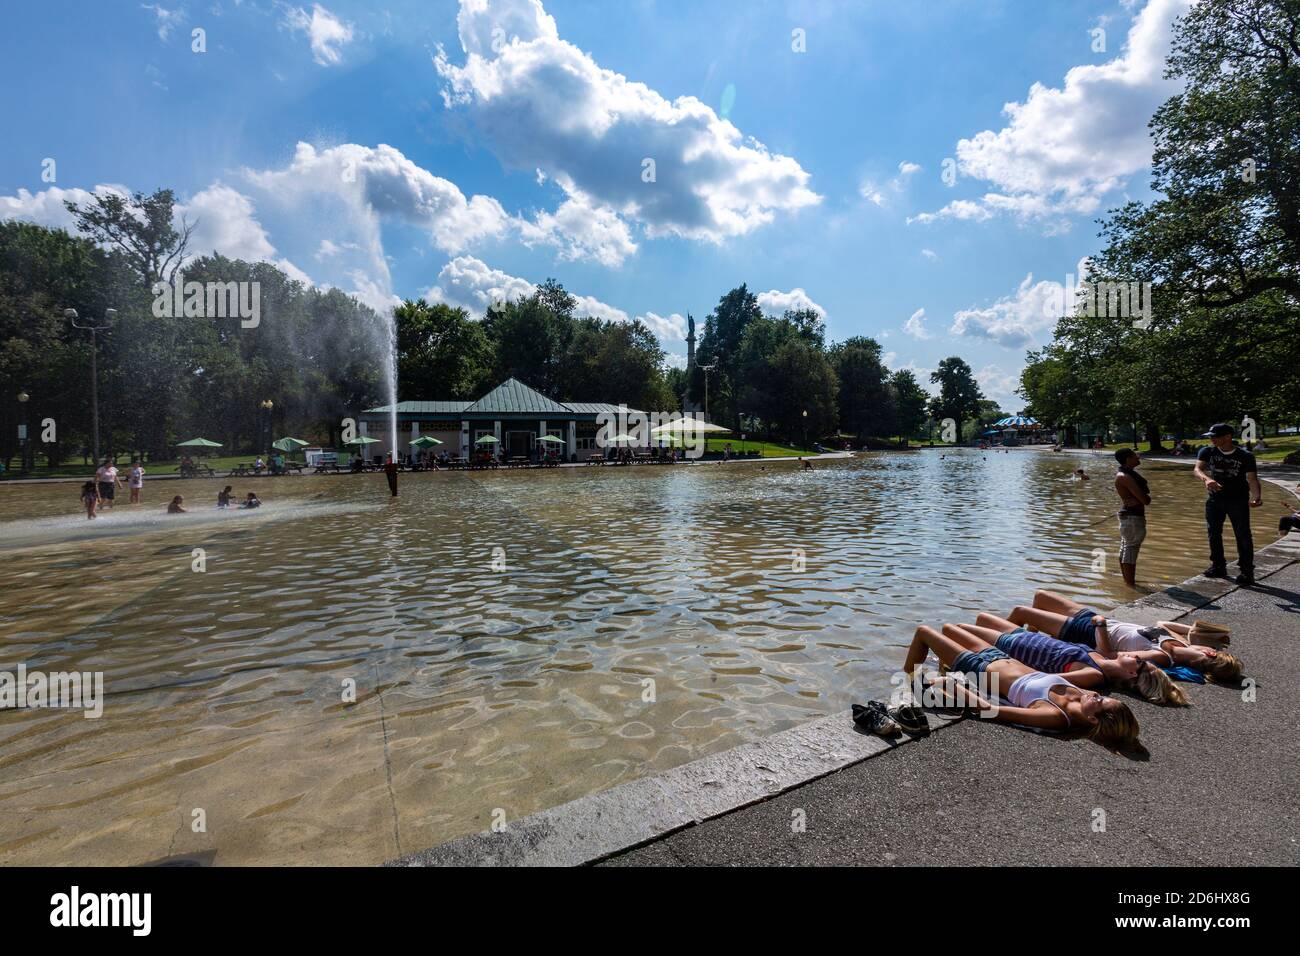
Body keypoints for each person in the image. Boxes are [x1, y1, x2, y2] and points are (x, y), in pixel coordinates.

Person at [901, 624, 1140, 751]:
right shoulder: (1081, 697)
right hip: (998, 656)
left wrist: (952, 686)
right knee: (949, 629)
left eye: (1100, 701)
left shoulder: (1054, 716)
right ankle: (930, 673)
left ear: (1094, 720)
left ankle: (907, 677)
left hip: (980, 670)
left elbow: (989, 709)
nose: (1098, 695)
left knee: (924, 633)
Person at [1006, 590, 1243, 684]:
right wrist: (1189, 629)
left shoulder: (1161, 657)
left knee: (1020, 612)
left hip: (1089, 630)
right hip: (1099, 620)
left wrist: (1099, 626)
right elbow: (1160, 624)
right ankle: (1027, 643)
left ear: (1210, 653)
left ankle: (1005, 651)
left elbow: (1107, 654)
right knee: (1040, 598)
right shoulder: (1182, 643)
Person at [966, 616, 1188, 706]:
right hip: (1025, 637)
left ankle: (961, 674)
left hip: (1015, 647)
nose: (1139, 656)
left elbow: (1048, 679)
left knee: (959, 630)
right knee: (982, 617)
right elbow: (1104, 649)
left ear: (1131, 674)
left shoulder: (1094, 675)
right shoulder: (1102, 658)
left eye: (1139, 663)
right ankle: (958, 669)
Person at [1194, 423, 1262, 585]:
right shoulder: (1207, 451)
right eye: (1210, 436)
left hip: (1237, 500)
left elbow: (1252, 478)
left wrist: (1256, 496)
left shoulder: (1245, 456)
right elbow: (1197, 469)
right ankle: (1218, 566)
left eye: (1214, 436)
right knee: (1213, 533)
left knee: (1243, 535)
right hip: (1214, 499)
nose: (1211, 439)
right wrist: (1207, 479)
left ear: (1228, 437)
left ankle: (1246, 572)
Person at [1113, 448, 1150, 588]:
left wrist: (1140, 499)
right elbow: (1145, 500)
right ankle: (1130, 585)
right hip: (1133, 518)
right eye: (1135, 455)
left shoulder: (1125, 474)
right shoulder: (1125, 476)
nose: (1138, 456)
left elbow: (1140, 499)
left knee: (1126, 548)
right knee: (1130, 549)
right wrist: (1144, 498)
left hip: (1129, 516)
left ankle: (1127, 584)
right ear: (1128, 459)